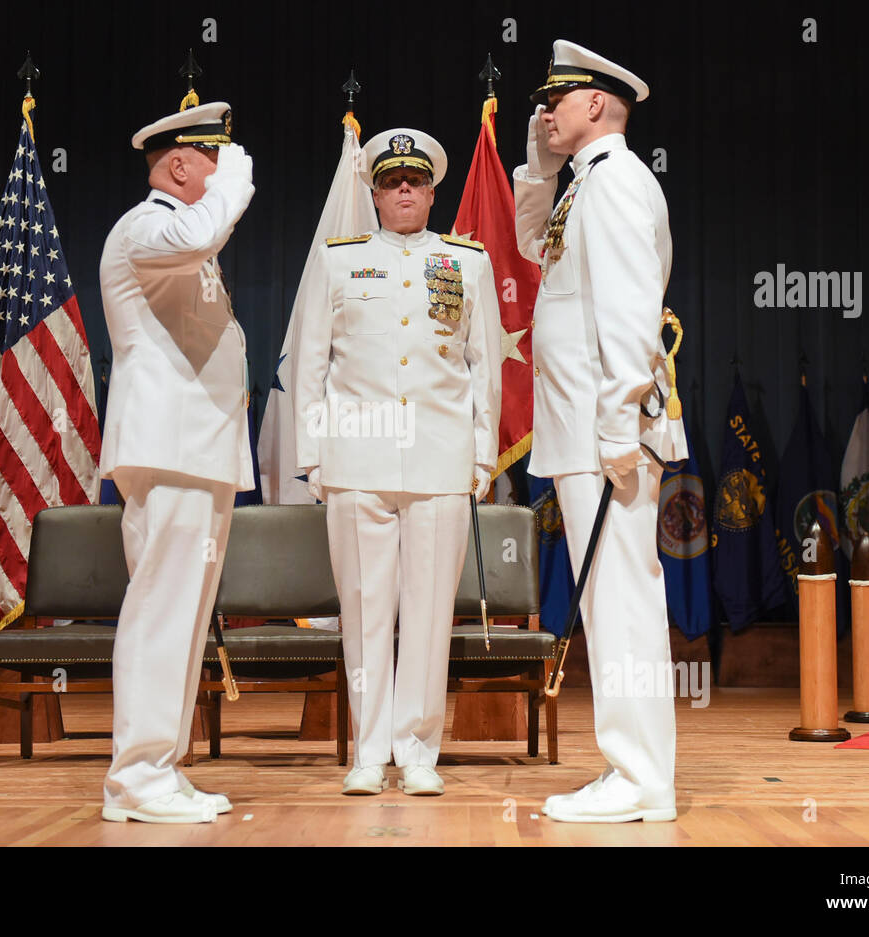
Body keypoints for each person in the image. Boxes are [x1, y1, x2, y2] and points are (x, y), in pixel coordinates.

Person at [293, 128, 501, 796]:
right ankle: (367, 749)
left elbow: (484, 366)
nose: (403, 190)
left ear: (433, 191)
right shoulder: (337, 259)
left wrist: (483, 453)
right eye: (390, 181)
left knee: (431, 613)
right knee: (364, 610)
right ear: (375, 192)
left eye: (414, 180)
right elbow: (309, 362)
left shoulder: (466, 262)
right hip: (356, 455)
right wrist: (312, 454)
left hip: (440, 457)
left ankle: (416, 749)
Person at [513, 41, 688, 822]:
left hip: (605, 433)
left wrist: (619, 428)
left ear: (594, 105)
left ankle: (642, 777)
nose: (544, 111)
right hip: (587, 429)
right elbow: (530, 249)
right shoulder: (583, 185)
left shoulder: (614, 183)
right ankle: (634, 771)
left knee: (620, 600)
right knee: (611, 600)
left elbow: (628, 317)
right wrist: (534, 167)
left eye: (555, 100)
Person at [98, 99, 255, 823]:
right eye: (217, 158)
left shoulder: (180, 238)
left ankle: (159, 765)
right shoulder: (148, 226)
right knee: (162, 610)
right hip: (170, 447)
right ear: (184, 163)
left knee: (183, 616)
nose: (228, 172)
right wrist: (236, 183)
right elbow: (201, 230)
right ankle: (135, 777)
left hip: (197, 450)